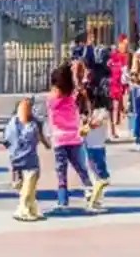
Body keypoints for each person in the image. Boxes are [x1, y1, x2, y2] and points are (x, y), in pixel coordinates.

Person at [46, 63, 95, 212]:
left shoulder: (52, 100)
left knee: (61, 172)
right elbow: (80, 97)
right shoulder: (73, 99)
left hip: (59, 141)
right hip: (74, 139)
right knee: (81, 168)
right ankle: (90, 190)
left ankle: (63, 200)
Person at [1, 97, 51, 221]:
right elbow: (7, 141)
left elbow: (7, 141)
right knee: (28, 184)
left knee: (30, 185)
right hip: (23, 160)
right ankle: (22, 209)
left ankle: (32, 208)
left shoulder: (29, 123)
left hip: (26, 159)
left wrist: (46, 144)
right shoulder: (16, 124)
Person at [82, 90, 112, 210]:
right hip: (90, 147)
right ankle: (93, 200)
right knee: (99, 177)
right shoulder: (90, 114)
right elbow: (83, 130)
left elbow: (95, 124)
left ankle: (95, 198)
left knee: (101, 177)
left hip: (98, 147)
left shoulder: (103, 113)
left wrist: (87, 122)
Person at [107, 35, 131, 140]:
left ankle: (119, 126)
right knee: (113, 108)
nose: (125, 47)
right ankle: (113, 130)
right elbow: (108, 67)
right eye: (124, 44)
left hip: (123, 85)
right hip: (113, 84)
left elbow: (129, 71)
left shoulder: (129, 56)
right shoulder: (113, 56)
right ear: (119, 44)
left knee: (123, 107)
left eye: (127, 45)